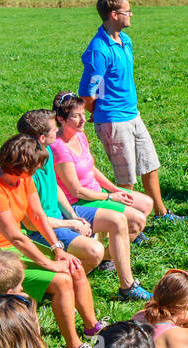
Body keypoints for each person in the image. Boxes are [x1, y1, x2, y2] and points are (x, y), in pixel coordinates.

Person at [0, 135, 106, 348]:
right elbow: (15, 237)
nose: (41, 168)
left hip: (13, 247)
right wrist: (49, 264)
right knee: (62, 281)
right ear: (22, 167)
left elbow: (37, 215)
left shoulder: (23, 180)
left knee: (74, 266)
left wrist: (57, 249)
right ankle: (74, 347)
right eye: (37, 165)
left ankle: (92, 327)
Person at [17, 108, 149, 302]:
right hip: (42, 230)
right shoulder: (24, 169)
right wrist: (71, 224)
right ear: (41, 137)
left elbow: (56, 190)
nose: (58, 131)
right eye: (54, 129)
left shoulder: (46, 153)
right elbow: (31, 224)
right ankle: (55, 287)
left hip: (62, 217)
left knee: (119, 220)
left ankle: (127, 286)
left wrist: (72, 215)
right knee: (94, 251)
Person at [80, 0, 184, 223]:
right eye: (128, 11)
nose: (131, 15)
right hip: (114, 121)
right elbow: (88, 93)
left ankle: (161, 213)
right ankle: (130, 227)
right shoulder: (99, 50)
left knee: (150, 166)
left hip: (133, 115)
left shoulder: (125, 41)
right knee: (126, 180)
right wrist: (103, 114)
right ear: (114, 14)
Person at [50, 92, 153, 304]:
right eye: (76, 116)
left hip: (96, 193)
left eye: (82, 114)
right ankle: (127, 285)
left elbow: (92, 168)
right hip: (77, 204)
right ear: (61, 119)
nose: (83, 120)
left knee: (145, 204)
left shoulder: (79, 135)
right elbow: (76, 190)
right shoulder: (59, 148)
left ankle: (107, 257)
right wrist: (110, 197)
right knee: (134, 220)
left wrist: (116, 189)